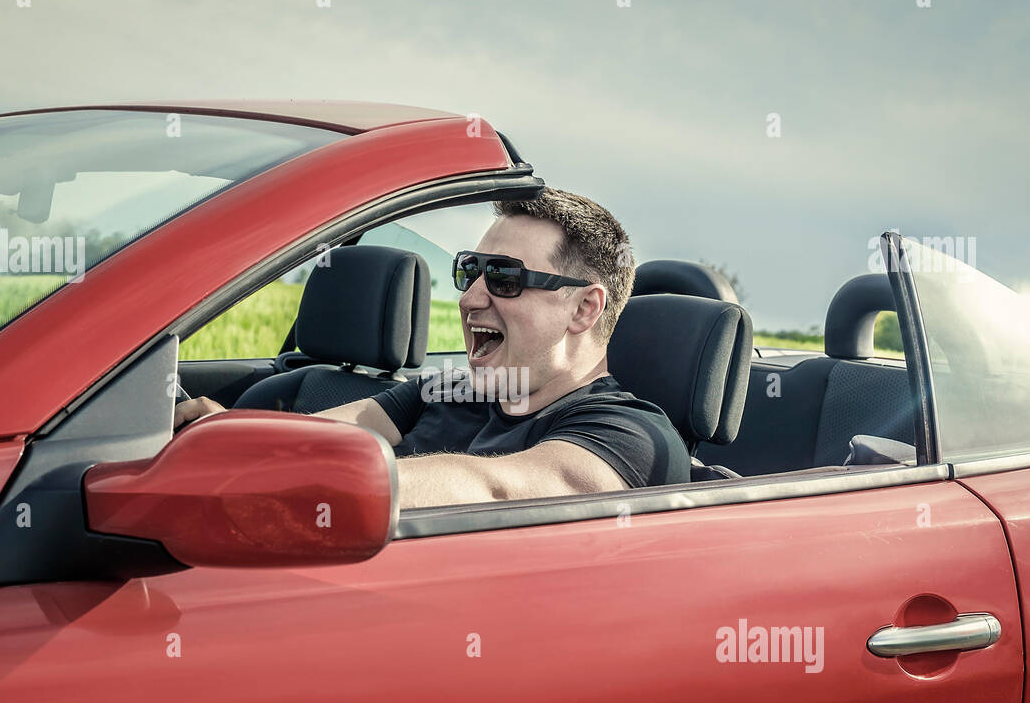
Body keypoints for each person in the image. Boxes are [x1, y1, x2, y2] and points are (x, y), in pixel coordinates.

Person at [174, 188, 690, 508]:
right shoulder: (449, 390)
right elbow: (328, 434)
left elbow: (491, 490)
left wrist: (294, 479)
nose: (469, 297)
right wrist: (225, 434)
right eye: (470, 271)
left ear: (584, 309)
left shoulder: (630, 436)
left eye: (505, 278)